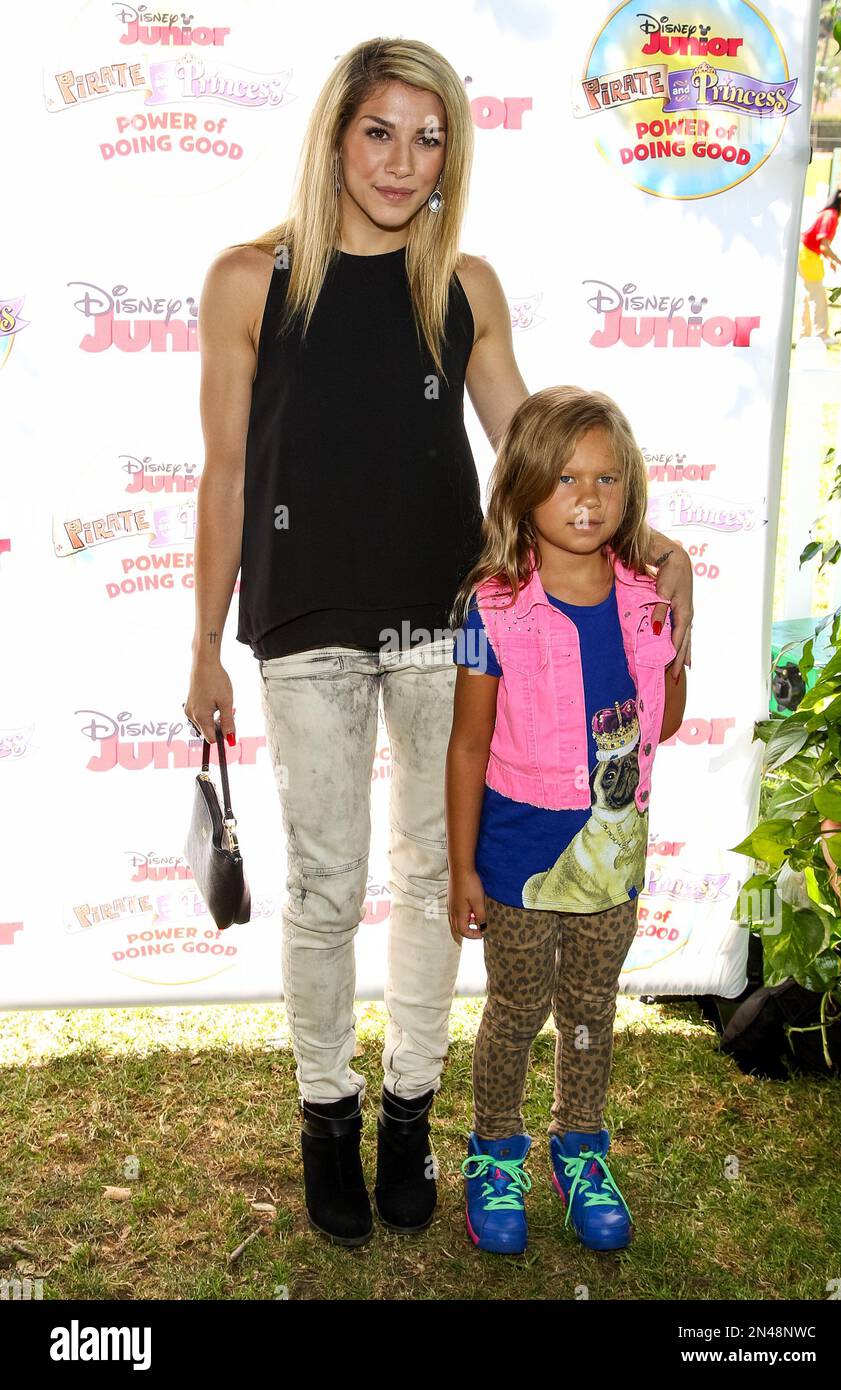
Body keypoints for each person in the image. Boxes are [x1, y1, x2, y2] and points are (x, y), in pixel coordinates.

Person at [182, 36, 695, 1250]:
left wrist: (646, 534)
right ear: (335, 132)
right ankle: (326, 1115)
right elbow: (222, 474)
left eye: (430, 138)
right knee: (320, 885)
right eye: (381, 131)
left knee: (427, 876)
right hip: (302, 612)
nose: (404, 160)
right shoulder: (250, 279)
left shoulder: (461, 286)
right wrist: (202, 640)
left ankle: (410, 1113)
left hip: (442, 612)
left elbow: (529, 444)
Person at [445, 386, 688, 1254]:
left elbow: (666, 719)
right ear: (520, 491)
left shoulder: (644, 598)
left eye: (608, 480)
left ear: (630, 494)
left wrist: (673, 629)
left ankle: (580, 1148)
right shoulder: (489, 610)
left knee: (591, 1004)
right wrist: (462, 866)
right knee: (517, 1007)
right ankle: (496, 1153)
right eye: (564, 478)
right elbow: (468, 747)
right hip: (516, 851)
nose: (588, 498)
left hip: (613, 853)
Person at [798, 187, 841, 344]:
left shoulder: (830, 215)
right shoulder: (831, 216)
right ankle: (821, 335)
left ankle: (804, 335)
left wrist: (831, 260)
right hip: (807, 256)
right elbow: (824, 246)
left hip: (808, 255)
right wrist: (839, 261)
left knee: (808, 297)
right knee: (818, 297)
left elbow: (821, 246)